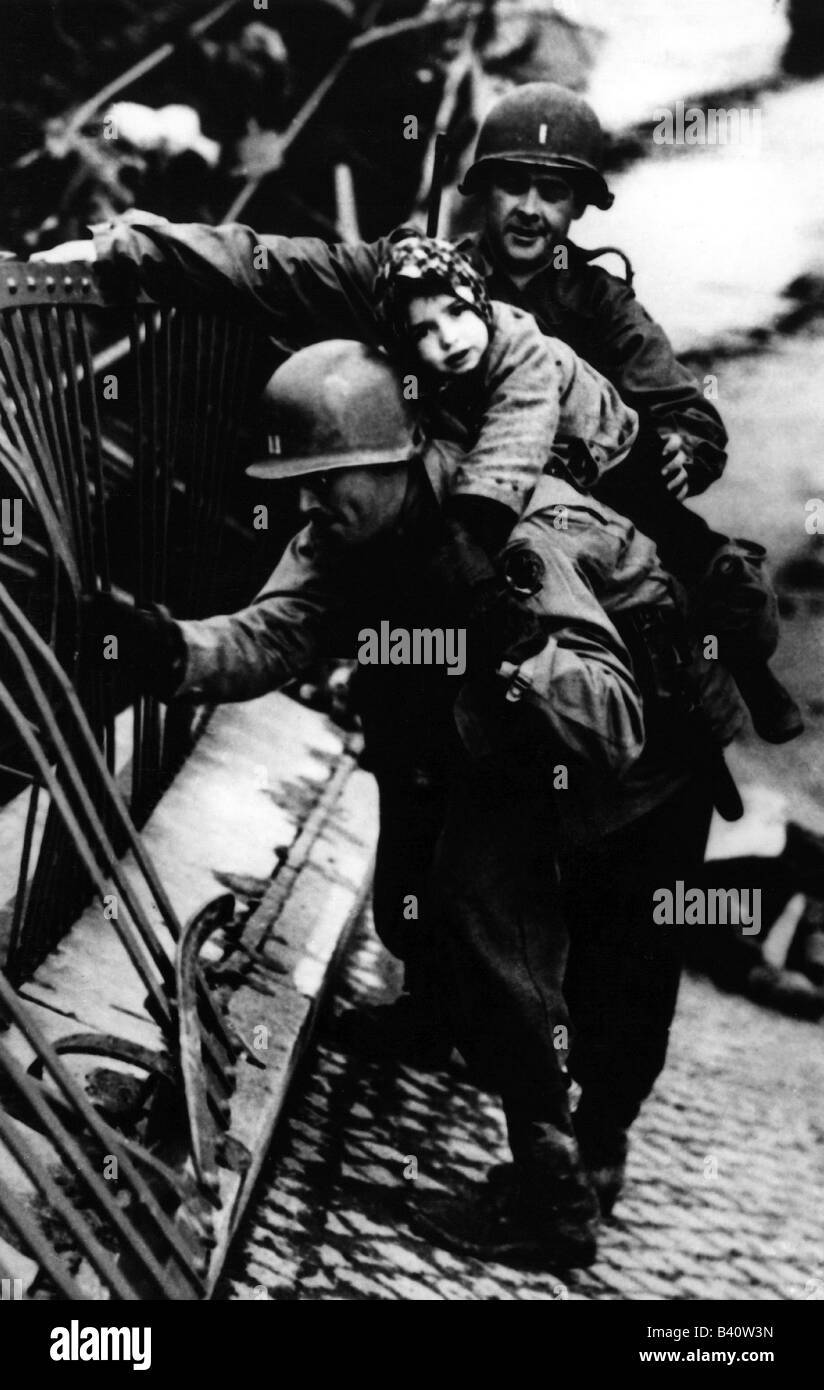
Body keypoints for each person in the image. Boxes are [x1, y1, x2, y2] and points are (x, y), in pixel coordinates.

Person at [90, 340, 732, 1265]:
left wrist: (506, 631)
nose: (305, 502)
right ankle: (556, 1197)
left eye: (324, 480)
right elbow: (278, 631)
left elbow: (611, 719)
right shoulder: (349, 526)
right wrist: (162, 648)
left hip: (647, 761)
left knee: (624, 976)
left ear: (395, 457)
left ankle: (586, 1167)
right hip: (530, 743)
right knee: (475, 907)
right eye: (296, 482)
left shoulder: (515, 537)